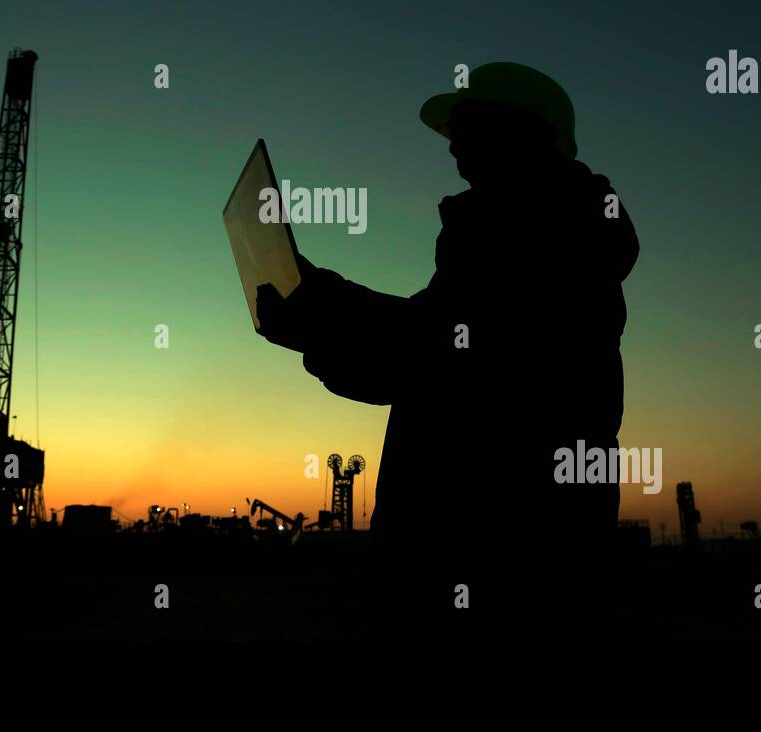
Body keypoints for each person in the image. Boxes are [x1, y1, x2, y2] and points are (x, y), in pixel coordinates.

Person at [256, 62, 639, 634]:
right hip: (496, 549)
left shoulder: (543, 236)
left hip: (501, 554)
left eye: (469, 128)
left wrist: (315, 317)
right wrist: (319, 298)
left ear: (524, 132)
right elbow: (433, 336)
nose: (454, 147)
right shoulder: (535, 226)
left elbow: (429, 359)